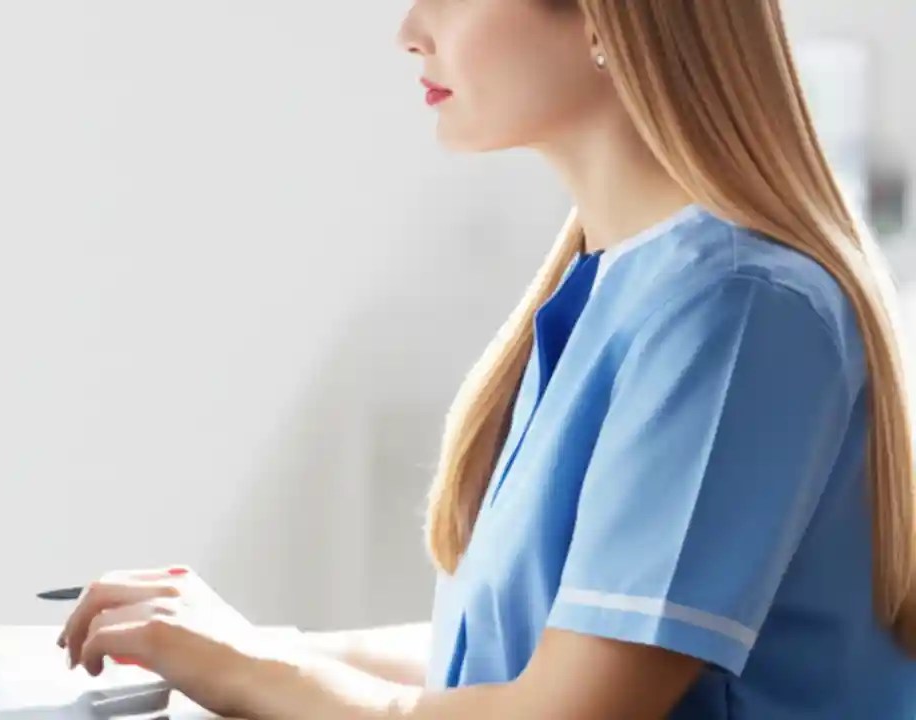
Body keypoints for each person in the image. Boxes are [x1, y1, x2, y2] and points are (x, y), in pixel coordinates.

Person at [56, 1, 916, 717]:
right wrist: (243, 646)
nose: (409, 31)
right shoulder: (624, 281)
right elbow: (521, 659)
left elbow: (570, 712)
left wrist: (251, 674)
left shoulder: (737, 308)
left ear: (603, 22)